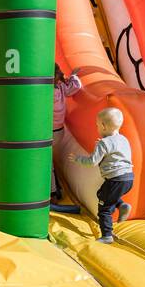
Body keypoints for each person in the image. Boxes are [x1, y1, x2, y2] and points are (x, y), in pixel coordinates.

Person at [70, 107, 133, 244]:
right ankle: (122, 205)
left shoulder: (103, 143)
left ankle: (107, 236)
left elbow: (92, 162)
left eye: (97, 125)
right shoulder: (123, 139)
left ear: (103, 126)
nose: (97, 127)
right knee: (103, 194)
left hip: (115, 179)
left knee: (104, 208)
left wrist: (78, 159)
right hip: (128, 178)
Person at [52, 64, 82, 200]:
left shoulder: (46, 91)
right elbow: (75, 86)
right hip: (59, 131)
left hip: (50, 132)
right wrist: (74, 76)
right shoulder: (61, 87)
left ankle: (53, 191)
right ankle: (55, 188)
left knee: (46, 161)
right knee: (49, 160)